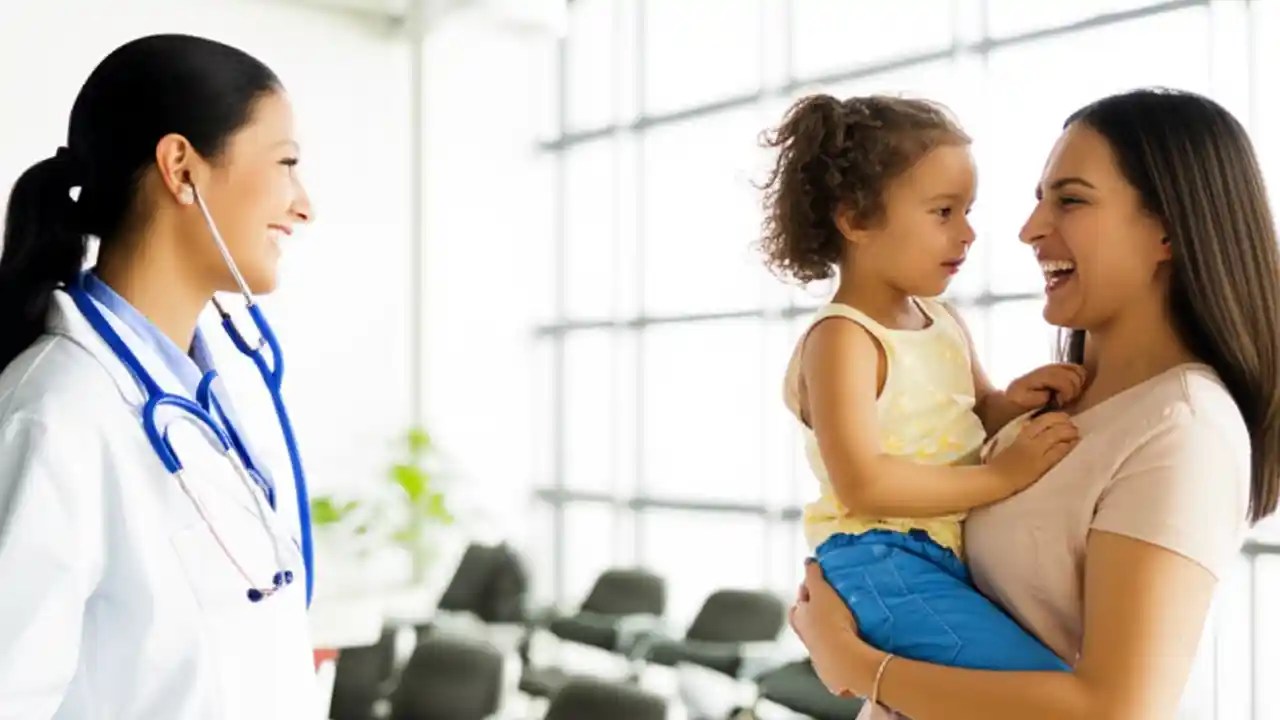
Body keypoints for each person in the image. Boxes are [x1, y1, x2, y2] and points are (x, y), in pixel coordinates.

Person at [790, 88, 1280, 719]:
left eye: (1070, 200)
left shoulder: (1183, 429)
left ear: (1168, 229)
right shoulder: (1052, 410)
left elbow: (1115, 711)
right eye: (1039, 200)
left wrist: (854, 664)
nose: (1028, 230)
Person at [0, 34, 319, 718]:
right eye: (286, 163)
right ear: (182, 168)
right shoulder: (54, 415)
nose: (303, 205)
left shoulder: (204, 407)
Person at [759, 92, 1084, 678]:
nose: (968, 233)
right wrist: (1002, 478)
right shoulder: (843, 338)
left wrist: (1013, 402)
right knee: (1046, 692)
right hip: (878, 559)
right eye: (943, 212)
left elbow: (974, 414)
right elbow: (864, 483)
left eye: (968, 211)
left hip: (937, 557)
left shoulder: (944, 320)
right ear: (856, 220)